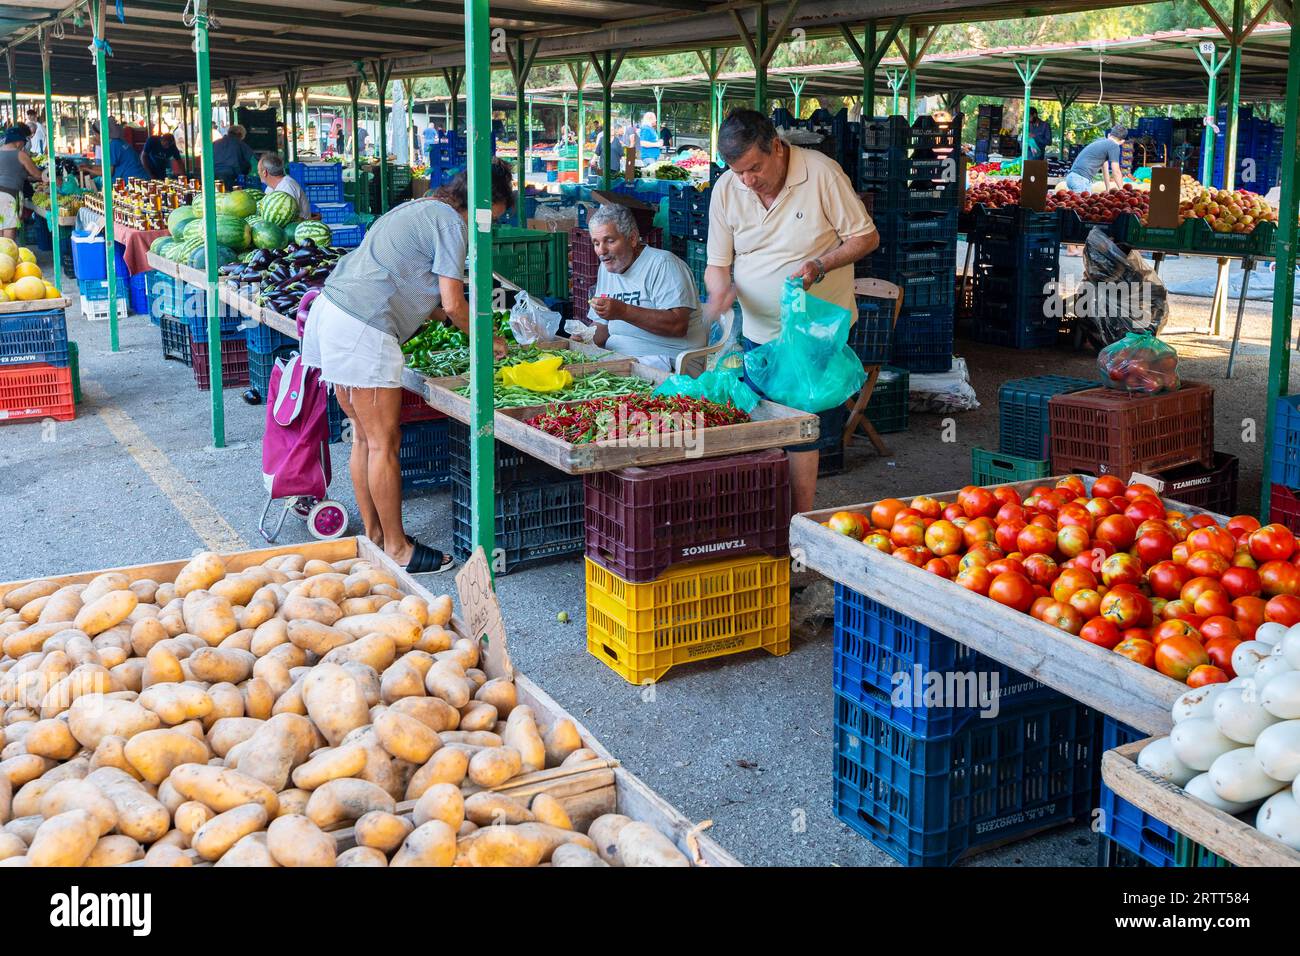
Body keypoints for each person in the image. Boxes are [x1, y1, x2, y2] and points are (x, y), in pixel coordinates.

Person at [299, 159, 516, 573]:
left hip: (333, 313)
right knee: (383, 443)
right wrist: (487, 341)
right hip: (364, 325)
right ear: (485, 206)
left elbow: (422, 295)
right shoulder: (452, 225)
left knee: (364, 439)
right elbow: (452, 304)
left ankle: (376, 537)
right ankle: (398, 549)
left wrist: (453, 317)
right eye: (495, 219)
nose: (490, 229)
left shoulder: (418, 208)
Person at [704, 108, 878, 515]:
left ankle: (796, 524)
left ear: (777, 148)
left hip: (814, 335)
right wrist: (719, 291)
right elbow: (717, 263)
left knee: (803, 431)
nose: (747, 181)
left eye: (754, 168)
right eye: (738, 172)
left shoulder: (821, 173)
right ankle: (768, 517)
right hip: (759, 334)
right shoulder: (727, 189)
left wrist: (821, 264)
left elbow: (866, 238)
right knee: (764, 423)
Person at [586, 203, 706, 370]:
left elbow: (677, 326)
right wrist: (583, 339)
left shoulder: (664, 265)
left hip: (667, 361)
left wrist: (623, 311)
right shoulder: (606, 269)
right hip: (619, 358)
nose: (601, 250)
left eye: (609, 241)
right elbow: (601, 325)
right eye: (596, 243)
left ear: (633, 238)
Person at [0, 128, 44, 240]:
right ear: (19, 141)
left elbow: (13, 172)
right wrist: (50, 177)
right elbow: (37, 174)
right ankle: (8, 255)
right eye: (23, 143)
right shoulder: (20, 154)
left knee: (0, 228)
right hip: (10, 195)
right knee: (9, 227)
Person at [81, 120, 149, 183]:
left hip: (135, 182)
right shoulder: (117, 142)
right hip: (138, 179)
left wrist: (88, 169)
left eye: (95, 134)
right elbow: (106, 167)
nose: (95, 137)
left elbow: (108, 172)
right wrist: (89, 167)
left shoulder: (113, 145)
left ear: (102, 134)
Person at [1066, 125, 1127, 193]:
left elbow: (1105, 169)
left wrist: (1108, 189)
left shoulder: (1101, 142)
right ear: (1122, 141)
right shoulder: (1114, 146)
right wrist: (1122, 191)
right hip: (1081, 180)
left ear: (1109, 135)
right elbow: (1116, 171)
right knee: (1082, 203)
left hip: (1072, 177)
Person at [257, 152, 311, 218]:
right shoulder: (269, 188)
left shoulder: (287, 187)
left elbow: (288, 217)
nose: (258, 173)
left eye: (258, 170)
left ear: (264, 172)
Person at [210, 123, 255, 190]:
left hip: (212, 177)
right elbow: (253, 160)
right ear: (240, 135)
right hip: (231, 178)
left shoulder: (214, 144)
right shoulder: (240, 144)